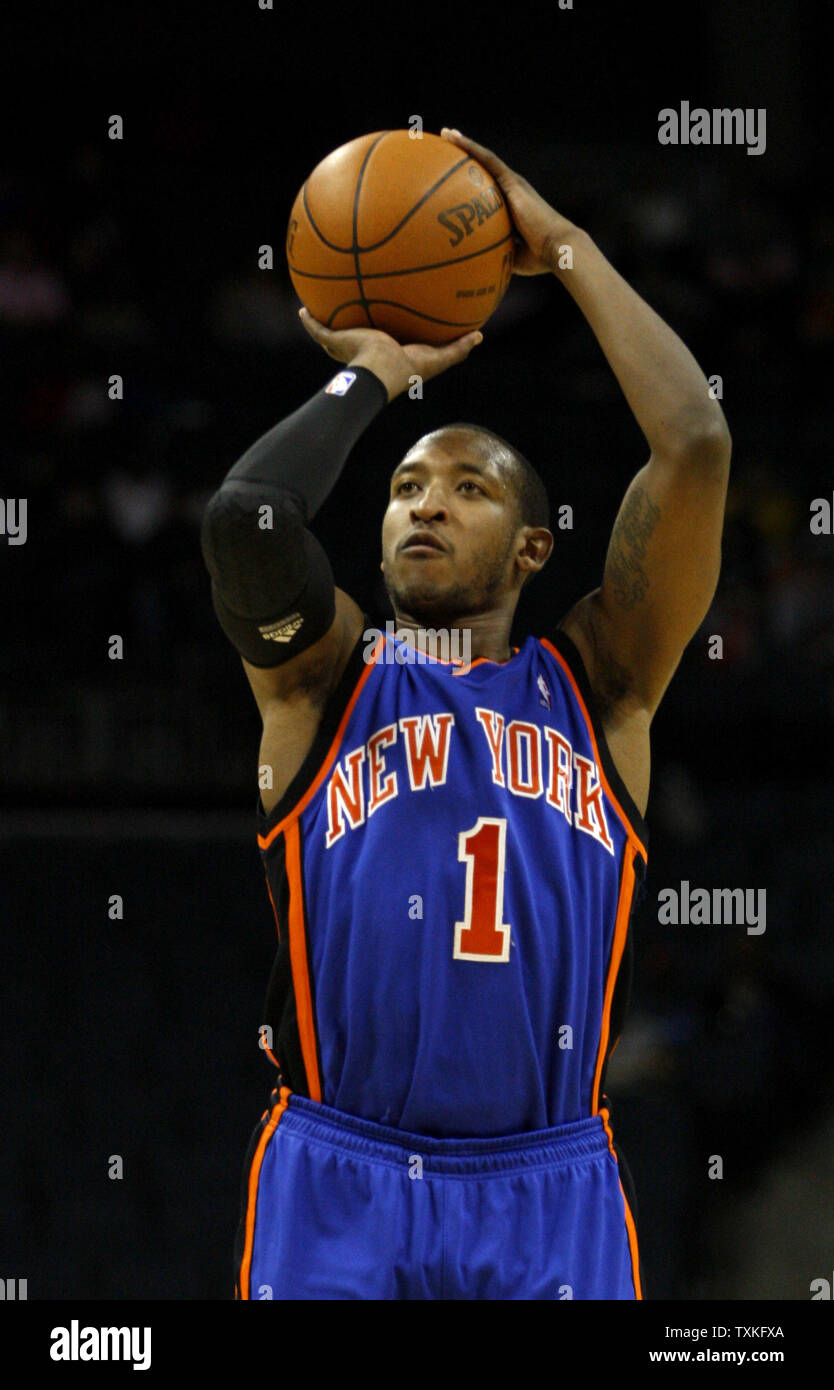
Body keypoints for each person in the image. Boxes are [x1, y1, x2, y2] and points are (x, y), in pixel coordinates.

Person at [200, 128, 731, 1300]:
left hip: (551, 1188)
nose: (424, 505)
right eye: (402, 487)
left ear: (537, 546)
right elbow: (249, 519)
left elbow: (694, 445)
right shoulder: (325, 679)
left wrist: (570, 249)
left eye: (468, 486)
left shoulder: (604, 683)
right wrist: (380, 369)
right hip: (339, 1174)